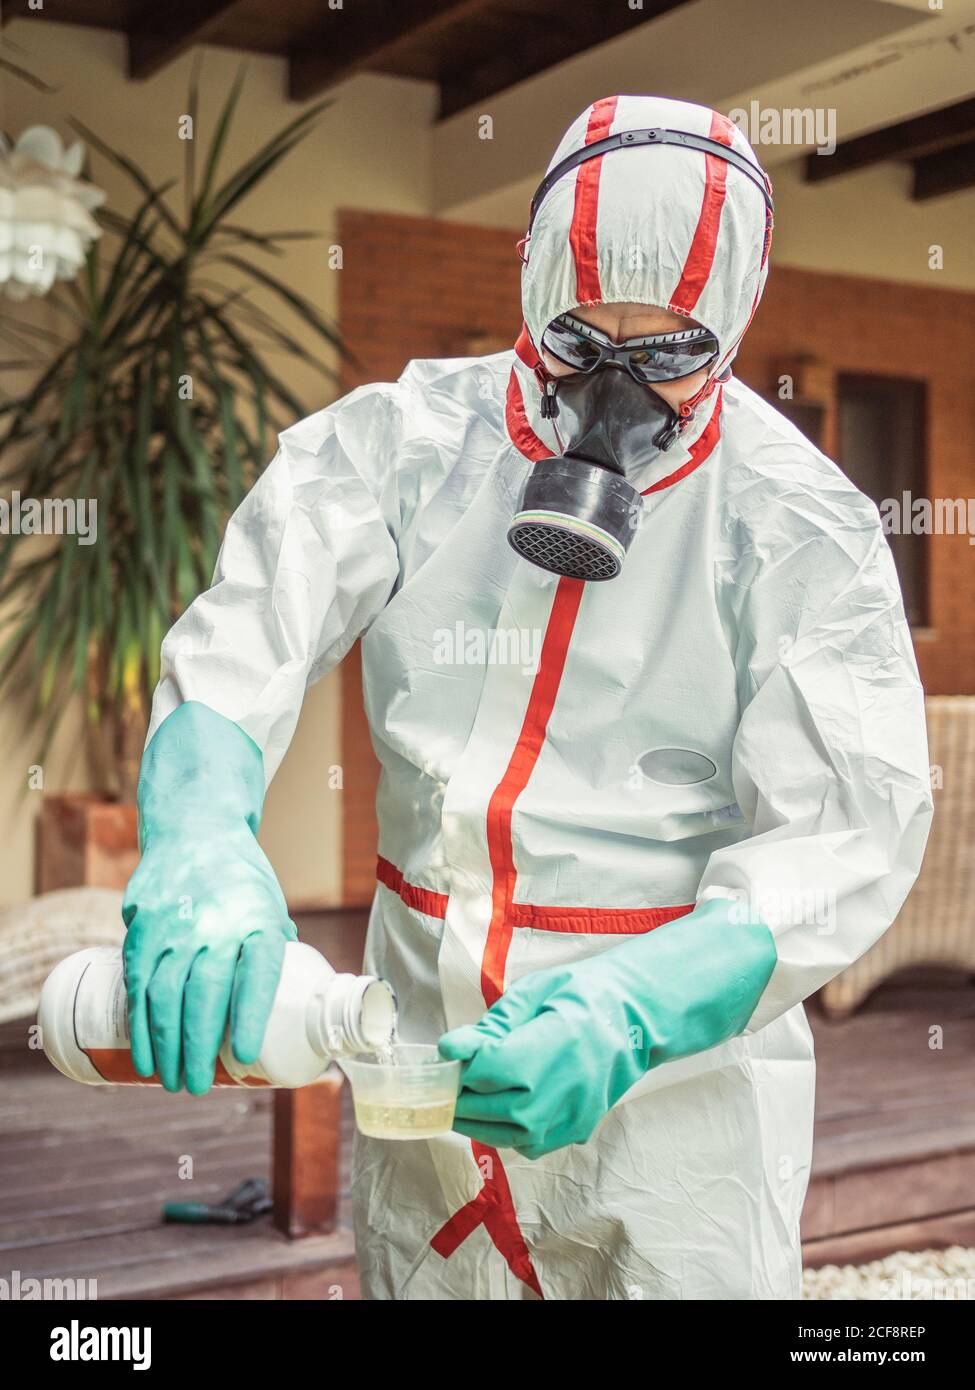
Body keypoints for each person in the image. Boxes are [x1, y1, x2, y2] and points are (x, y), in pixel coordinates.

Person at [122, 95, 932, 1300]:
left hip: (673, 1107)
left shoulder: (798, 523)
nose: (613, 395)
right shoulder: (401, 442)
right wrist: (197, 833)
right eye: (576, 338)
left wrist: (634, 1007)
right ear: (529, 276)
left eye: (669, 353)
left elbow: (853, 832)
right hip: (419, 1079)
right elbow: (250, 630)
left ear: (739, 316)